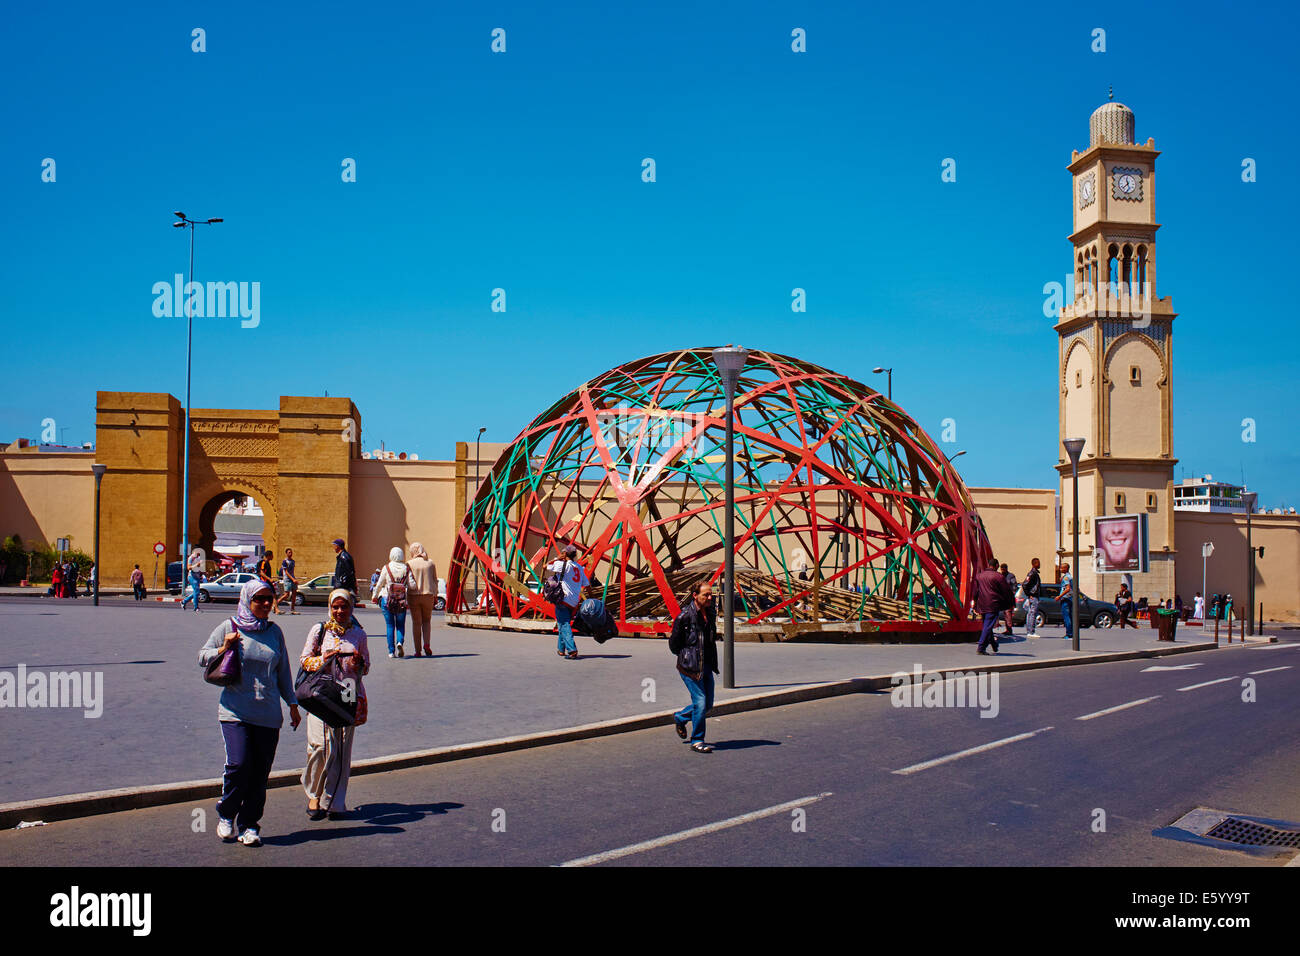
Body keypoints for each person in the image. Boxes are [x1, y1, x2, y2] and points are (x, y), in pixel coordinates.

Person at [197, 579, 301, 847]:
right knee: (239, 764)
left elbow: (283, 671)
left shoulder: (275, 632)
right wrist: (223, 648)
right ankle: (226, 813)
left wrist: (292, 704)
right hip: (235, 711)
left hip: (268, 714)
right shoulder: (229, 627)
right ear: (247, 601)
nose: (266, 604)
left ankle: (250, 824)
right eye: (260, 599)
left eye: (270, 599)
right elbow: (202, 656)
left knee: (259, 773)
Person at [300, 589, 370, 820]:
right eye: (336, 607)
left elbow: (366, 668)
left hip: (348, 694)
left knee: (341, 751)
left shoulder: (359, 634)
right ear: (330, 608)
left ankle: (334, 801)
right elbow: (304, 660)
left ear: (351, 608)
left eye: (345, 607)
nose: (340, 611)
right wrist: (324, 658)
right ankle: (314, 794)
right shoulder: (320, 630)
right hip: (321, 694)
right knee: (319, 746)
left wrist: (359, 662)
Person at [669, 579, 720, 753]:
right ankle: (697, 740)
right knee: (700, 701)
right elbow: (674, 644)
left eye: (711, 594)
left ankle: (680, 717)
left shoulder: (710, 612)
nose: (710, 597)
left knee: (708, 705)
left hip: (706, 664)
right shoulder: (684, 616)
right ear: (695, 596)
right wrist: (686, 656)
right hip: (690, 666)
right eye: (706, 594)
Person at [547, 543, 589, 660]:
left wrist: (556, 558)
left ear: (565, 554)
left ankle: (572, 649)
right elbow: (586, 584)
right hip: (574, 602)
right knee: (562, 623)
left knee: (564, 624)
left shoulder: (561, 565)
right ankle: (561, 649)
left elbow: (546, 566)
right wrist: (592, 598)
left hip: (562, 599)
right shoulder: (579, 568)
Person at [372, 547, 412, 658]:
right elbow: (412, 584)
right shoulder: (406, 569)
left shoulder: (386, 568)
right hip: (401, 601)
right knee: (400, 625)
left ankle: (391, 652)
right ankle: (400, 642)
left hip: (387, 599)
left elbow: (379, 584)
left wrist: (374, 596)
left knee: (390, 626)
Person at [974, 557, 1014, 655]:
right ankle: (981, 647)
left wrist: (975, 604)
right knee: (987, 626)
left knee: (987, 625)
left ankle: (993, 644)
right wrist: (1010, 603)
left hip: (982, 604)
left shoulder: (979, 576)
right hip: (993, 604)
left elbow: (975, 591)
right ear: (996, 566)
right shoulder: (998, 577)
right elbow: (1006, 591)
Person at [406, 542, 438, 657]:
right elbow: (435, 581)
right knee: (427, 621)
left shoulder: (409, 564)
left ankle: (418, 650)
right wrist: (435, 595)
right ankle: (427, 644)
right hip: (428, 595)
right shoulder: (430, 563)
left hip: (413, 596)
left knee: (416, 623)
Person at [1022, 557, 1042, 638]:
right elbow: (1025, 584)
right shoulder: (1032, 573)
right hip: (1033, 596)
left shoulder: (1034, 573)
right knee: (1032, 614)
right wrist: (1029, 594)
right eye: (1038, 562)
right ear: (1034, 564)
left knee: (1031, 613)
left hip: (1033, 596)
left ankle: (1030, 631)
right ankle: (1031, 631)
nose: (1040, 564)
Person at [276, 547, 300, 615]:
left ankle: (292, 609)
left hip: (293, 579)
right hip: (287, 579)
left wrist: (294, 578)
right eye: (289, 552)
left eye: (291, 552)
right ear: (286, 553)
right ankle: (276, 604)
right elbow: (286, 572)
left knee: (294, 594)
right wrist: (293, 579)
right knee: (287, 595)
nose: (290, 553)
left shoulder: (293, 561)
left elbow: (292, 571)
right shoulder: (285, 561)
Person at [999, 563, 1017, 635]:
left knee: (1008, 613)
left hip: (1009, 598)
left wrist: (1012, 593)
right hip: (1002, 598)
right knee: (1005, 614)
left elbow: (1014, 586)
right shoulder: (1000, 576)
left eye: (1004, 569)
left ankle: (1009, 629)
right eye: (1002, 569)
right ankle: (1007, 629)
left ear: (1006, 568)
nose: (1002, 571)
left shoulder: (1011, 576)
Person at [1059, 562, 1075, 639]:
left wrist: (1059, 596)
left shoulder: (1066, 578)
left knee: (1066, 617)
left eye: (1061, 568)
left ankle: (1069, 634)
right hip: (1070, 598)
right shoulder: (1069, 576)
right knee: (1070, 616)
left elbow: (1067, 588)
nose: (1060, 569)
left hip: (1065, 598)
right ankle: (1071, 632)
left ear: (1065, 568)